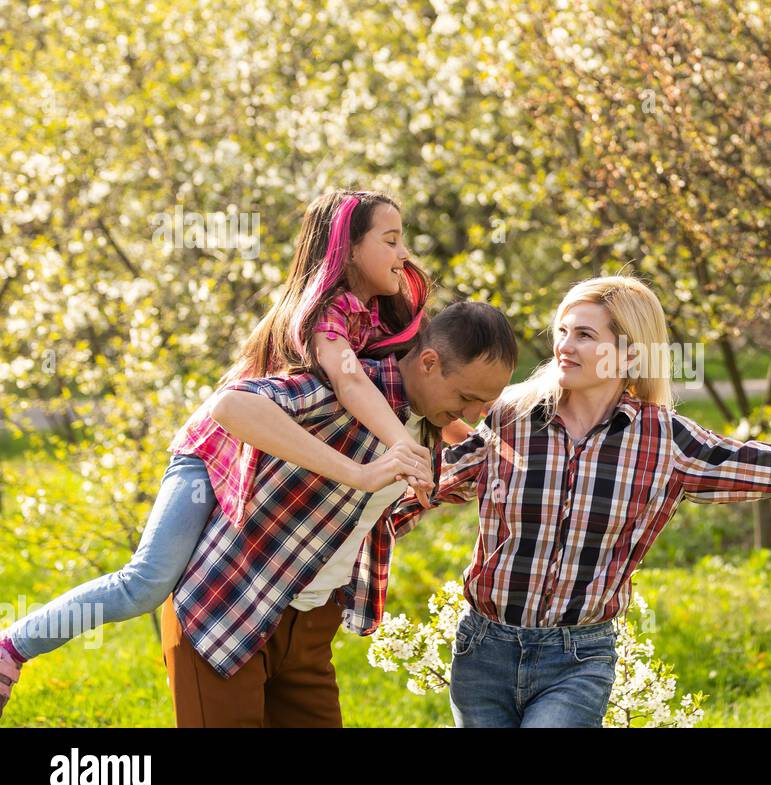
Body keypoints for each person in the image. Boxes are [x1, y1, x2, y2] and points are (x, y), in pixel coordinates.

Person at [0, 189, 454, 718]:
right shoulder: (325, 312)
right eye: (391, 240)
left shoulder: (381, 320)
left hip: (258, 462)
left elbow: (434, 395)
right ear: (347, 249)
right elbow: (351, 380)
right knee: (147, 582)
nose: (405, 255)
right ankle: (14, 645)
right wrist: (394, 449)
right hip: (210, 453)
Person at [430, 275, 771, 727]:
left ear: (630, 353)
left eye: (585, 335)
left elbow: (770, 468)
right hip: (482, 651)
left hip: (576, 660)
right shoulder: (511, 416)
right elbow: (434, 476)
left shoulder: (663, 440)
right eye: (563, 331)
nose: (564, 347)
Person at [162, 301, 516, 726]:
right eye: (466, 397)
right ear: (428, 362)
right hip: (227, 607)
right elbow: (232, 406)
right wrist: (358, 474)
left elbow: (487, 465)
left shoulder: (429, 431)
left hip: (309, 628)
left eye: (484, 404)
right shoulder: (351, 386)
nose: (473, 415)